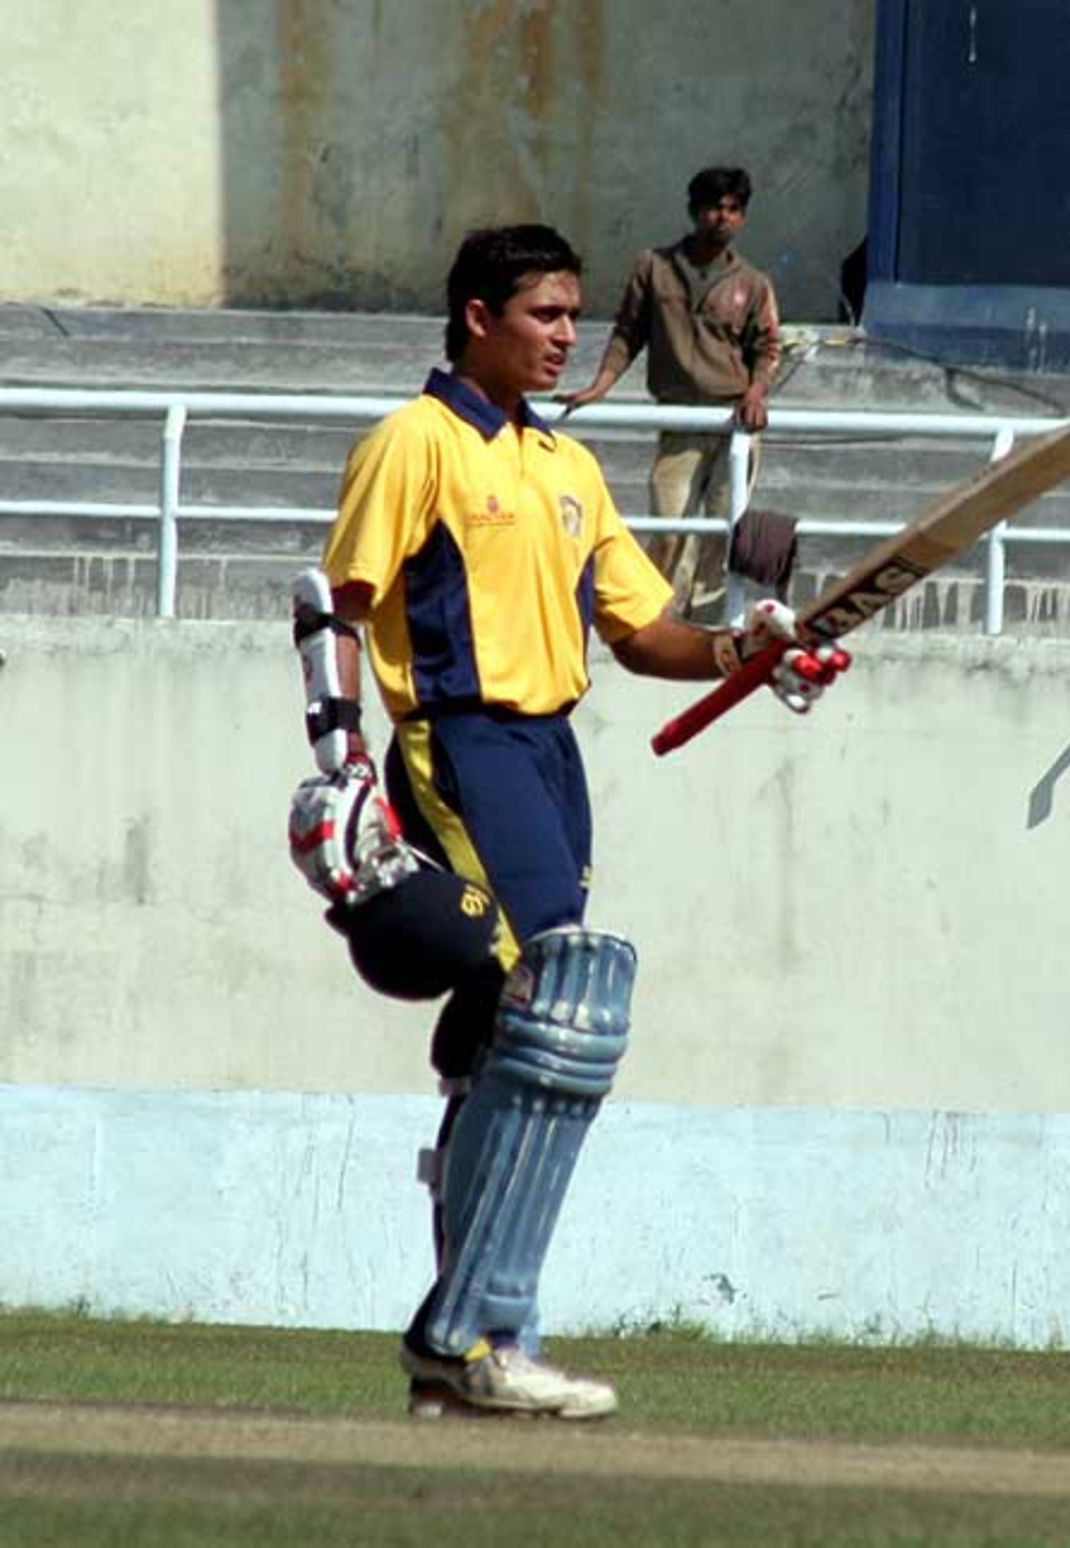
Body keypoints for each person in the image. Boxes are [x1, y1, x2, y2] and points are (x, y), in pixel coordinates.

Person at [291, 224, 847, 1422]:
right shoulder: (416, 443)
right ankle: (475, 1331)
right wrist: (338, 759)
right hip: (463, 738)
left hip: (551, 756)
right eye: (544, 314)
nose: (566, 337)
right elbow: (334, 603)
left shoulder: (568, 469)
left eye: (571, 314)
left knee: (511, 1029)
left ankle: (478, 1340)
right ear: (478, 317)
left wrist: (749, 647)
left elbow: (649, 637)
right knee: (568, 1000)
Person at [560, 167, 782, 622]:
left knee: (724, 526)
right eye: (714, 207)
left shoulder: (753, 283)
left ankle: (709, 621)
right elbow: (628, 333)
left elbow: (768, 348)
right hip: (679, 419)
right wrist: (600, 386)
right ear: (694, 210)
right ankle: (658, 620)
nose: (722, 218)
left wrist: (758, 391)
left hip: (732, 420)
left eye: (733, 210)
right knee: (670, 523)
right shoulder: (655, 268)